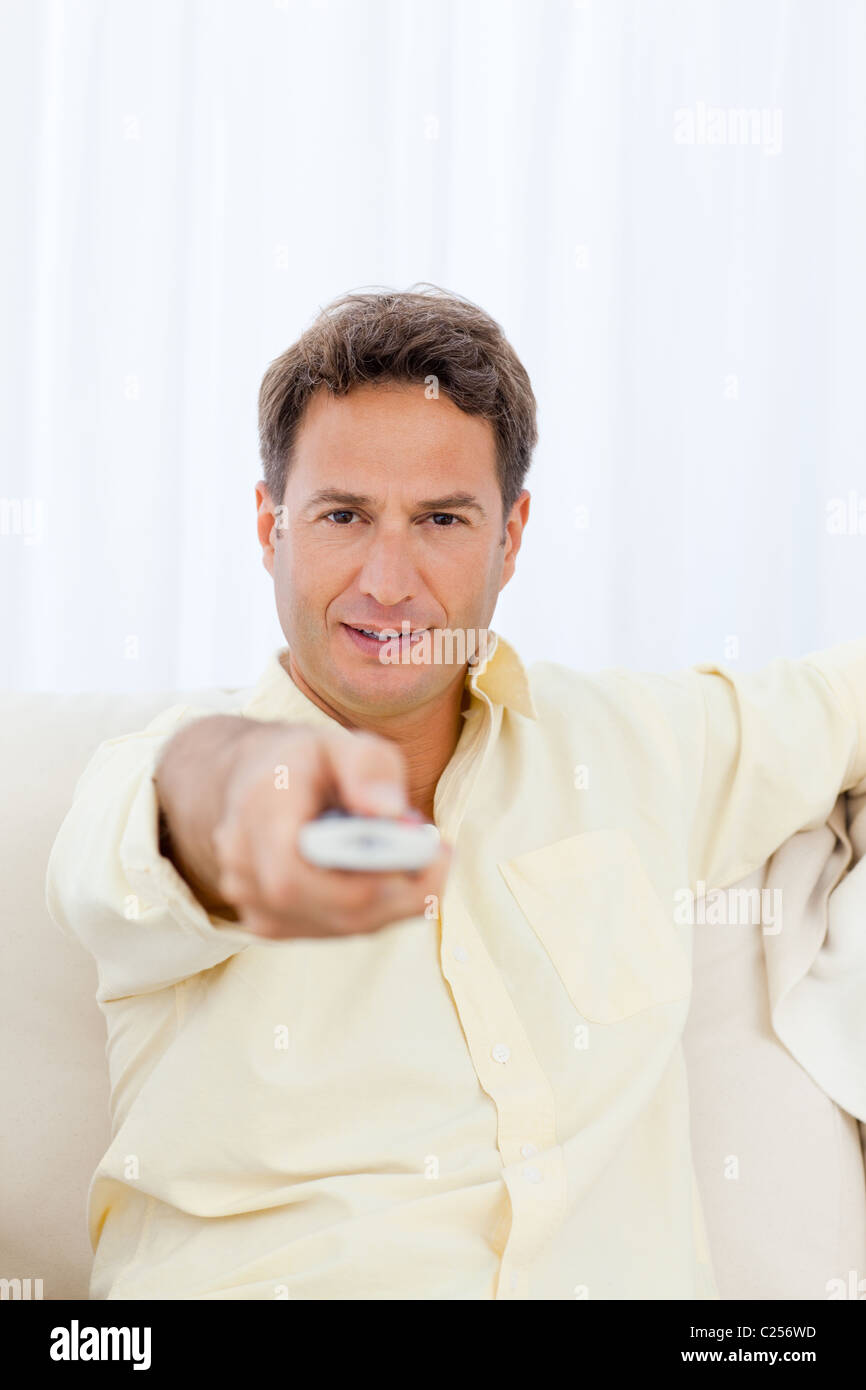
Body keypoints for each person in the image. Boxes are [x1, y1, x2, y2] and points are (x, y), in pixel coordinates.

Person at [46, 284, 866, 1300]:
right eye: (342, 515)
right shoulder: (149, 778)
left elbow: (842, 701)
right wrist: (253, 812)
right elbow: (178, 824)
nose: (387, 579)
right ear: (270, 527)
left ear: (509, 536)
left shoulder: (637, 742)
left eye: (440, 518)